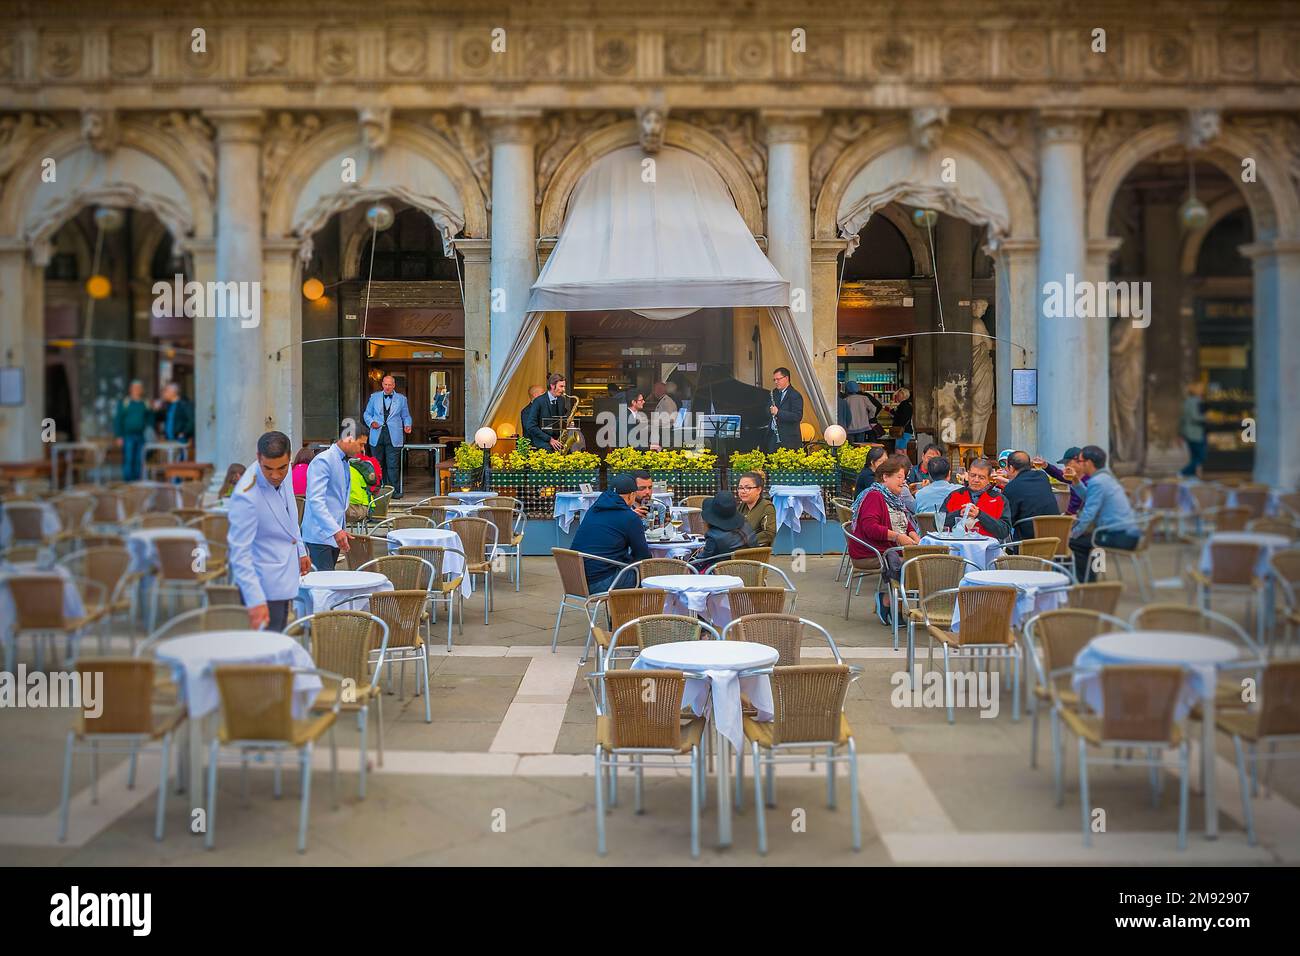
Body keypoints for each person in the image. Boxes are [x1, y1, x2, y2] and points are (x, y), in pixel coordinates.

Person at [226, 430, 311, 632]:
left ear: (289, 459)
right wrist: (255, 600)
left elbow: (290, 510)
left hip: (284, 573)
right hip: (261, 584)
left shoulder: (285, 471)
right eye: (268, 469)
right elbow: (239, 554)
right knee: (263, 652)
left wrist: (300, 550)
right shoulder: (246, 495)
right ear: (258, 458)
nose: (275, 475)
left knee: (279, 637)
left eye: (281, 468)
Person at [849, 454, 920, 622]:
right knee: (914, 564)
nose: (903, 482)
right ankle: (890, 601)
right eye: (899, 477)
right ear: (885, 477)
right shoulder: (874, 496)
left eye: (905, 478)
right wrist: (897, 537)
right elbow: (870, 527)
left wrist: (913, 535)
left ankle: (895, 603)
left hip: (888, 548)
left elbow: (904, 521)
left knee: (920, 559)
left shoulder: (893, 498)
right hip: (870, 551)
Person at [1068, 445, 1141, 582]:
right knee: (1091, 539)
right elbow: (1091, 499)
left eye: (1080, 461)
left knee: (1075, 542)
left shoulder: (1097, 482)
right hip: (1129, 533)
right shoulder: (1106, 476)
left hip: (1120, 536)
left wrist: (1074, 532)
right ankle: (1096, 576)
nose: (1079, 464)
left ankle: (1087, 582)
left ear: (1088, 463)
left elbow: (1089, 513)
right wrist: (1076, 481)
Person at [569, 473, 651, 592]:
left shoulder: (593, 510)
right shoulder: (629, 517)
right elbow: (643, 556)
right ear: (631, 496)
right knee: (649, 572)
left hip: (577, 580)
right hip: (602, 582)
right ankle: (642, 610)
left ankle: (622, 610)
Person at [301, 432, 364, 571]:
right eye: (361, 444)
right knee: (323, 585)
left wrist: (340, 529)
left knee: (330, 578)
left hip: (334, 533)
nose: (362, 449)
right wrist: (336, 530)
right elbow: (316, 500)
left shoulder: (344, 462)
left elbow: (338, 500)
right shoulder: (323, 460)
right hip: (319, 534)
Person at [364, 374, 412, 498]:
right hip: (377, 434)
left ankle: (393, 492)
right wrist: (371, 422)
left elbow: (406, 416)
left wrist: (407, 425)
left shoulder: (402, 399)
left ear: (394, 385)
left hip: (394, 435)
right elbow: (367, 414)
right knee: (377, 464)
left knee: (393, 465)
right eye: (385, 384)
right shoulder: (374, 397)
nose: (387, 387)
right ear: (382, 384)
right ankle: (377, 492)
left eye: (390, 385)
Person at [939, 458, 1010, 539]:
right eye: (973, 475)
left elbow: (1004, 531)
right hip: (956, 547)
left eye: (981, 477)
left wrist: (980, 515)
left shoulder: (999, 499)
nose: (976, 480)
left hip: (988, 549)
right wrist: (959, 513)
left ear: (988, 479)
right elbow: (938, 523)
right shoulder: (955, 495)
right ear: (968, 475)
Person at [1000, 450, 1060, 539]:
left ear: (1011, 468)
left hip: (1029, 543)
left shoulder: (1011, 488)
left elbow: (1007, 521)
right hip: (1054, 539)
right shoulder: (1042, 476)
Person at [694, 490, 757, 568]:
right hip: (751, 572)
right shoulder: (746, 525)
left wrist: (689, 559)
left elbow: (700, 562)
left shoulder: (713, 536)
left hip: (722, 575)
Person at [113, 380, 150, 481]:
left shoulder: (145, 404)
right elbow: (118, 420)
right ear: (130, 389)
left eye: (139, 388)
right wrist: (119, 436)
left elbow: (150, 419)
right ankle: (128, 484)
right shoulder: (125, 403)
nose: (136, 390)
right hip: (127, 436)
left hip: (141, 436)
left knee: (139, 460)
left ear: (142, 390)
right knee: (129, 460)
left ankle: (137, 483)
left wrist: (153, 410)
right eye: (134, 388)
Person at [1034, 447, 1088, 515]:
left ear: (1079, 461)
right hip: (1070, 515)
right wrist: (1046, 465)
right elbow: (1059, 474)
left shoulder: (1090, 480)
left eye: (1068, 462)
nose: (1066, 466)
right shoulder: (1073, 477)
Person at [523, 373, 569, 451]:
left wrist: (567, 422)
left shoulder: (562, 400)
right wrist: (549, 439)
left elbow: (559, 421)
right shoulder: (538, 401)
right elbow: (531, 426)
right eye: (561, 386)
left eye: (564, 386)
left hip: (557, 439)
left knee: (571, 450)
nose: (563, 390)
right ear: (552, 385)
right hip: (542, 440)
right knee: (550, 451)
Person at [735, 471, 777, 548]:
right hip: (738, 549)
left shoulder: (766, 507)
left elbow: (769, 533)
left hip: (754, 552)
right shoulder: (742, 506)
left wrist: (743, 540)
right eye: (740, 488)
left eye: (748, 488)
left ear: (759, 490)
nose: (743, 491)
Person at [767, 367, 804, 451]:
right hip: (773, 437)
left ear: (786, 378)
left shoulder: (795, 395)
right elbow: (767, 409)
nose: (776, 382)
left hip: (788, 440)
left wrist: (778, 412)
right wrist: (770, 410)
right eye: (774, 380)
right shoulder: (774, 393)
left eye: (778, 379)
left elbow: (797, 416)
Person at [155, 382, 194, 452]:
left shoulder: (184, 404)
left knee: (180, 461)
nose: (164, 393)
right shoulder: (168, 406)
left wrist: (184, 433)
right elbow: (158, 418)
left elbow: (191, 420)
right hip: (169, 441)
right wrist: (156, 409)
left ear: (173, 392)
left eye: (166, 391)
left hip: (180, 441)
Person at [1179, 381, 1208, 478]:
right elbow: (1195, 417)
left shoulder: (1187, 401)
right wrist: (1207, 417)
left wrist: (1181, 433)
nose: (1202, 391)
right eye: (1201, 389)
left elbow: (1182, 419)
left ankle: (1192, 477)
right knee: (1201, 456)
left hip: (1188, 433)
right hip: (1196, 432)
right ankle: (1183, 472)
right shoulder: (1196, 401)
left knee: (1194, 456)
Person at [890, 388, 914, 458]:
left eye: (899, 395)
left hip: (902, 431)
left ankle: (908, 467)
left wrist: (892, 412)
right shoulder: (907, 405)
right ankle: (907, 467)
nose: (897, 396)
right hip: (905, 431)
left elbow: (901, 418)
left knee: (900, 452)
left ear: (903, 395)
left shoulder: (903, 405)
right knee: (902, 451)